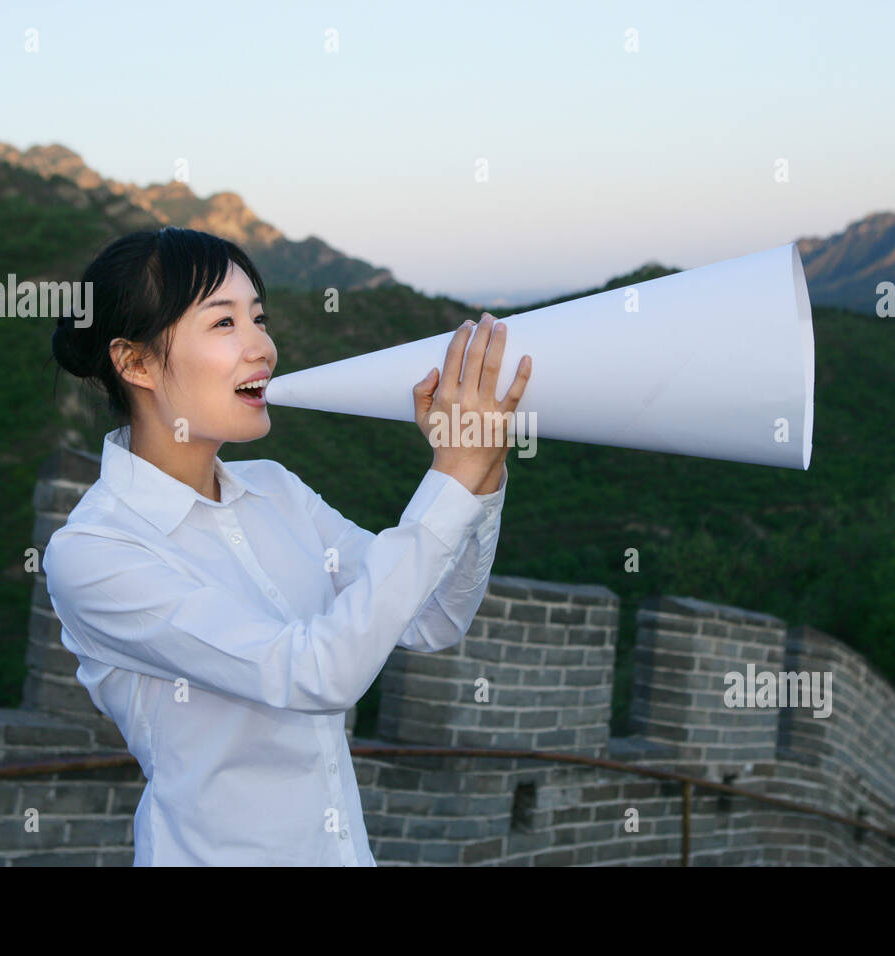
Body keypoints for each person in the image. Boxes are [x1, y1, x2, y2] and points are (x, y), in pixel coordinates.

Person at [45, 226, 531, 865]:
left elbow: (434, 617)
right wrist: (452, 476)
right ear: (135, 363)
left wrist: (482, 473)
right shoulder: (96, 553)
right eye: (223, 324)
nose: (263, 347)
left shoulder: (276, 491)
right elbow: (313, 674)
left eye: (259, 317)